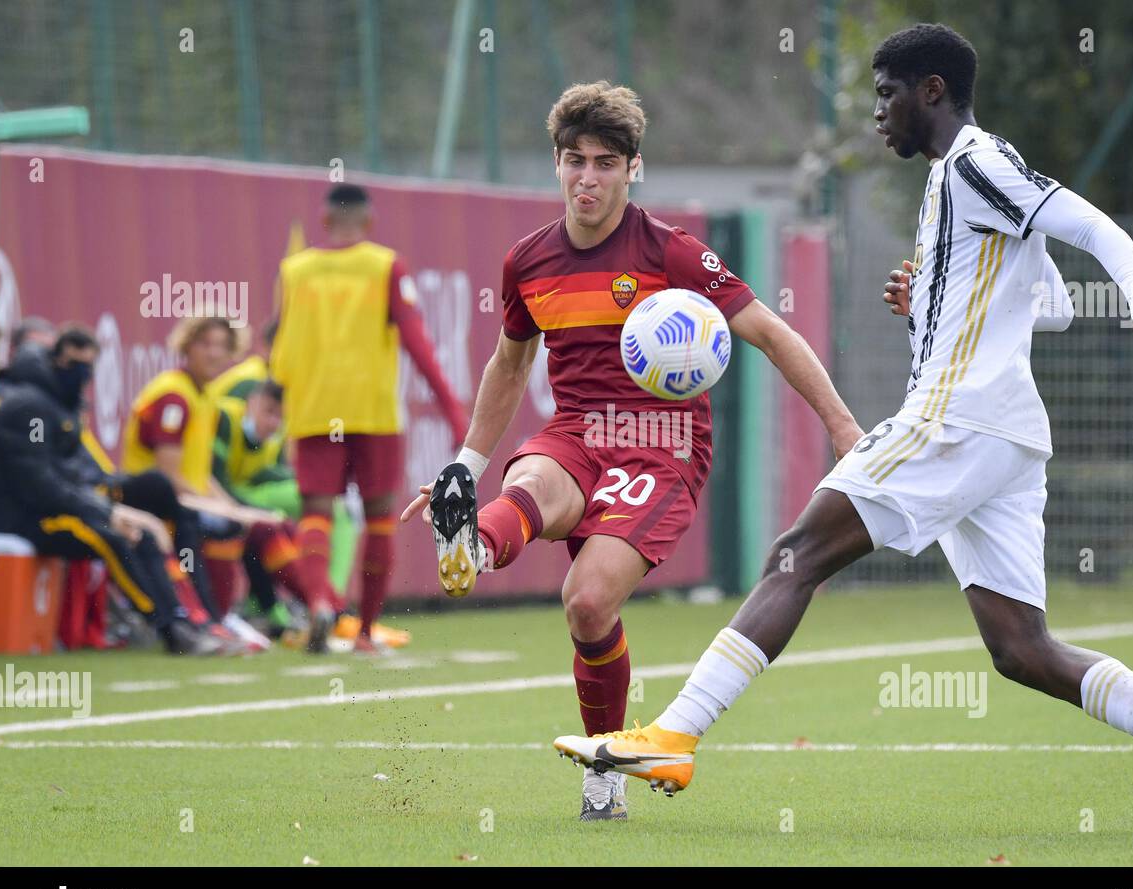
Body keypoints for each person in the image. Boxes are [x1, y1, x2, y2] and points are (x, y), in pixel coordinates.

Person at [552, 25, 1133, 838]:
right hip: (1006, 432)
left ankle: (673, 736)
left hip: (956, 418)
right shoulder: (956, 184)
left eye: (886, 94)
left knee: (795, 554)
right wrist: (928, 302)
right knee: (1021, 647)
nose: (878, 113)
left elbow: (1096, 228)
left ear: (931, 91)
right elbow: (1050, 307)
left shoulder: (978, 163)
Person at [404, 82, 861, 821]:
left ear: (632, 169)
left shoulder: (672, 253)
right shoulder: (528, 261)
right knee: (530, 482)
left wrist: (843, 428)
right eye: (574, 161)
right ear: (556, 165)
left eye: (605, 163)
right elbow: (509, 366)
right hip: (578, 428)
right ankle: (473, 542)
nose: (588, 178)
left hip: (662, 444)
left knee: (587, 603)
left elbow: (771, 333)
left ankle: (606, 767)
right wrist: (464, 463)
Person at [271, 183, 468, 653]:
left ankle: (320, 601)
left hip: (315, 409)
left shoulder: (295, 270)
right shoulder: (384, 265)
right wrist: (454, 410)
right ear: (369, 221)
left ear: (323, 221)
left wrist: (282, 402)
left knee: (315, 514)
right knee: (380, 516)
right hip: (373, 411)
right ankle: (363, 632)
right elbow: (417, 345)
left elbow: (281, 350)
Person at [0, 326, 220, 654]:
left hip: (57, 506)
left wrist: (114, 505)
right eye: (75, 365)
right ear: (56, 361)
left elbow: (75, 475)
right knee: (109, 535)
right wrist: (108, 511)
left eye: (88, 367)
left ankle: (189, 617)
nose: (82, 375)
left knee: (142, 528)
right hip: (20, 516)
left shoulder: (59, 405)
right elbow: (41, 487)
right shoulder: (30, 410)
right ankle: (169, 627)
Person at [122, 312, 278, 651]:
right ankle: (205, 618)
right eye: (205, 344)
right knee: (209, 523)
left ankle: (292, 615)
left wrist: (233, 507)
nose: (214, 353)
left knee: (258, 524)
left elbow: (198, 473)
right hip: (148, 501)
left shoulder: (204, 395)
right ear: (187, 345)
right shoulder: (173, 396)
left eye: (222, 346)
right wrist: (227, 511)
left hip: (181, 498)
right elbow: (169, 477)